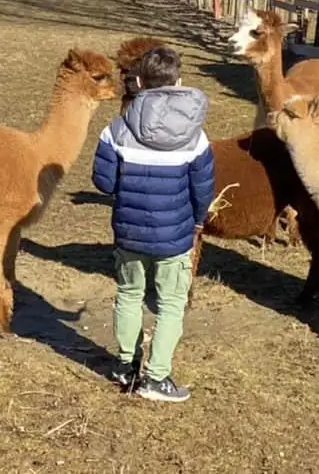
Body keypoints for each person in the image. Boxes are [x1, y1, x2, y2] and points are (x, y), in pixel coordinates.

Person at [91, 46, 215, 402]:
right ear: (179, 82)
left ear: (139, 82)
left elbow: (103, 181)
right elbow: (202, 188)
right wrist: (196, 222)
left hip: (128, 233)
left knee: (129, 295)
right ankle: (157, 378)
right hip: (174, 236)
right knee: (171, 303)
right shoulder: (196, 135)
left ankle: (126, 365)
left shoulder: (115, 129)